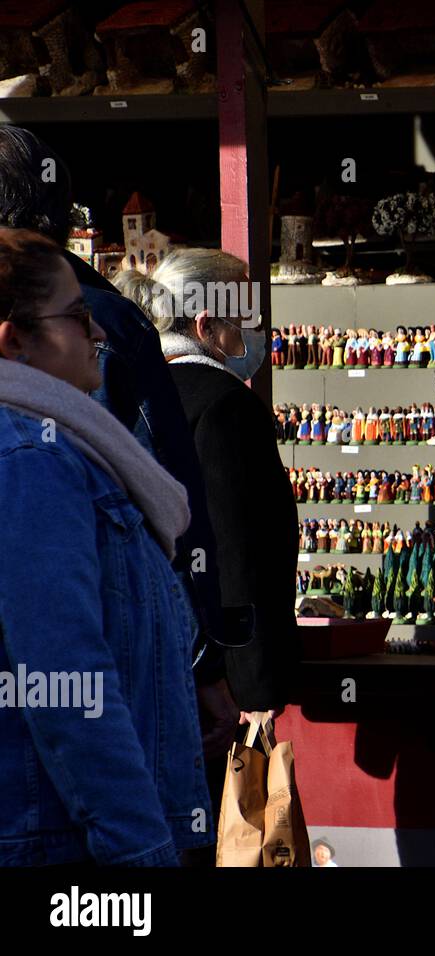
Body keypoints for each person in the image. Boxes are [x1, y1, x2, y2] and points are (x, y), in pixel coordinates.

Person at [0, 126, 241, 760]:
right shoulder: (105, 320)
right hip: (117, 647)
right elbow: (166, 492)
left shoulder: (87, 321)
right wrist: (203, 658)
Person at [0, 228, 209, 865]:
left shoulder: (63, 446)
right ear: (14, 341)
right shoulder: (30, 458)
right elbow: (63, 677)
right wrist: (141, 851)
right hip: (69, 848)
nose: (98, 334)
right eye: (77, 316)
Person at [135, 249, 299, 738]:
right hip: (217, 685)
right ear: (206, 326)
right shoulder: (227, 406)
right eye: (247, 318)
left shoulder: (133, 393)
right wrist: (256, 690)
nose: (257, 332)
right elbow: (237, 551)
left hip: (150, 656)